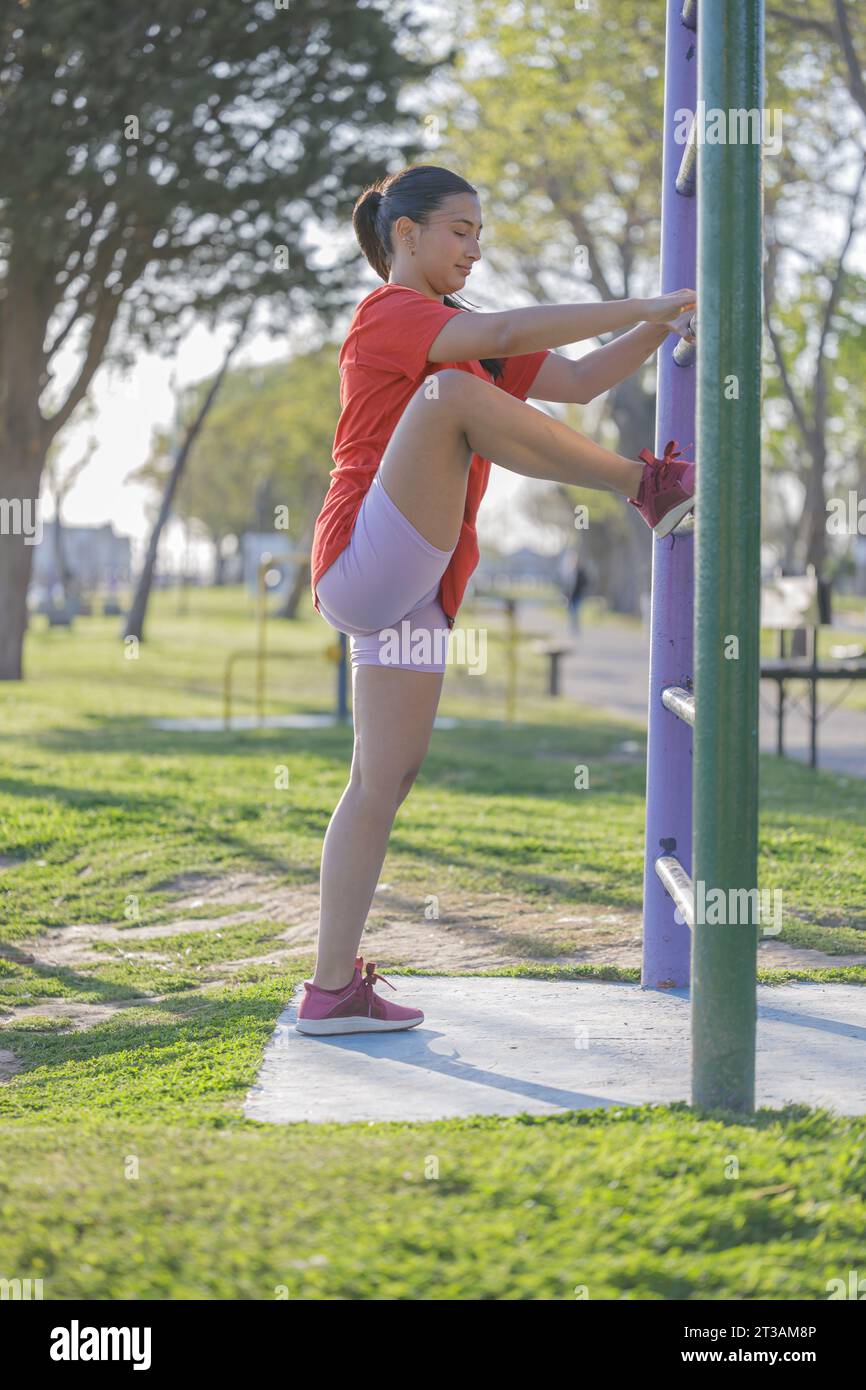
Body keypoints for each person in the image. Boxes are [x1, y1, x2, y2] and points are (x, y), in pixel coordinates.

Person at [299, 164, 696, 1035]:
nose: (474, 248)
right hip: (363, 560)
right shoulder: (393, 315)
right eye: (459, 231)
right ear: (405, 236)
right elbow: (506, 329)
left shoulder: (463, 337)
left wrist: (666, 321)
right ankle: (645, 486)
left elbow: (584, 381)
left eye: (481, 234)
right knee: (450, 398)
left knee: (383, 780)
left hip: (414, 586)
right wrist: (640, 300)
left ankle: (331, 990)